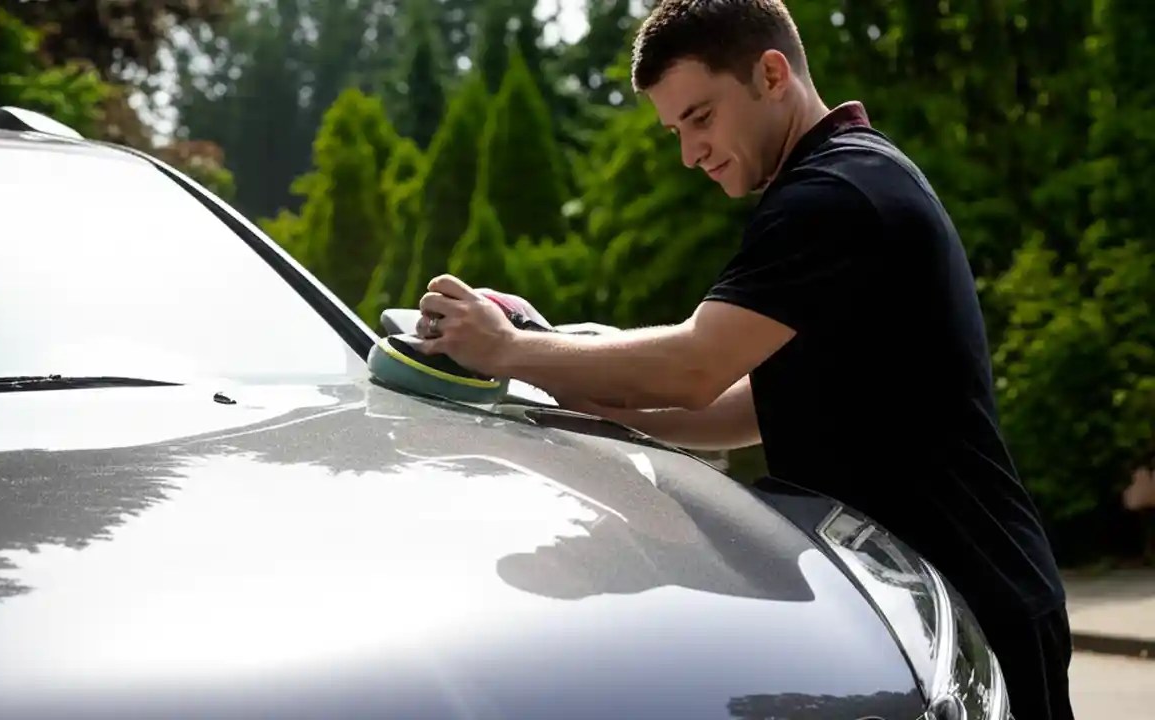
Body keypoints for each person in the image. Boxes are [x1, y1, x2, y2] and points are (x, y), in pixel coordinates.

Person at [414, 0, 1073, 717]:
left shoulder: (833, 197)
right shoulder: (852, 177)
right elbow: (737, 408)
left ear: (770, 73)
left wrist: (508, 347)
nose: (690, 152)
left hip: (970, 611)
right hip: (935, 602)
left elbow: (694, 367)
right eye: (675, 130)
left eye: (700, 118)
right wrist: (552, 373)